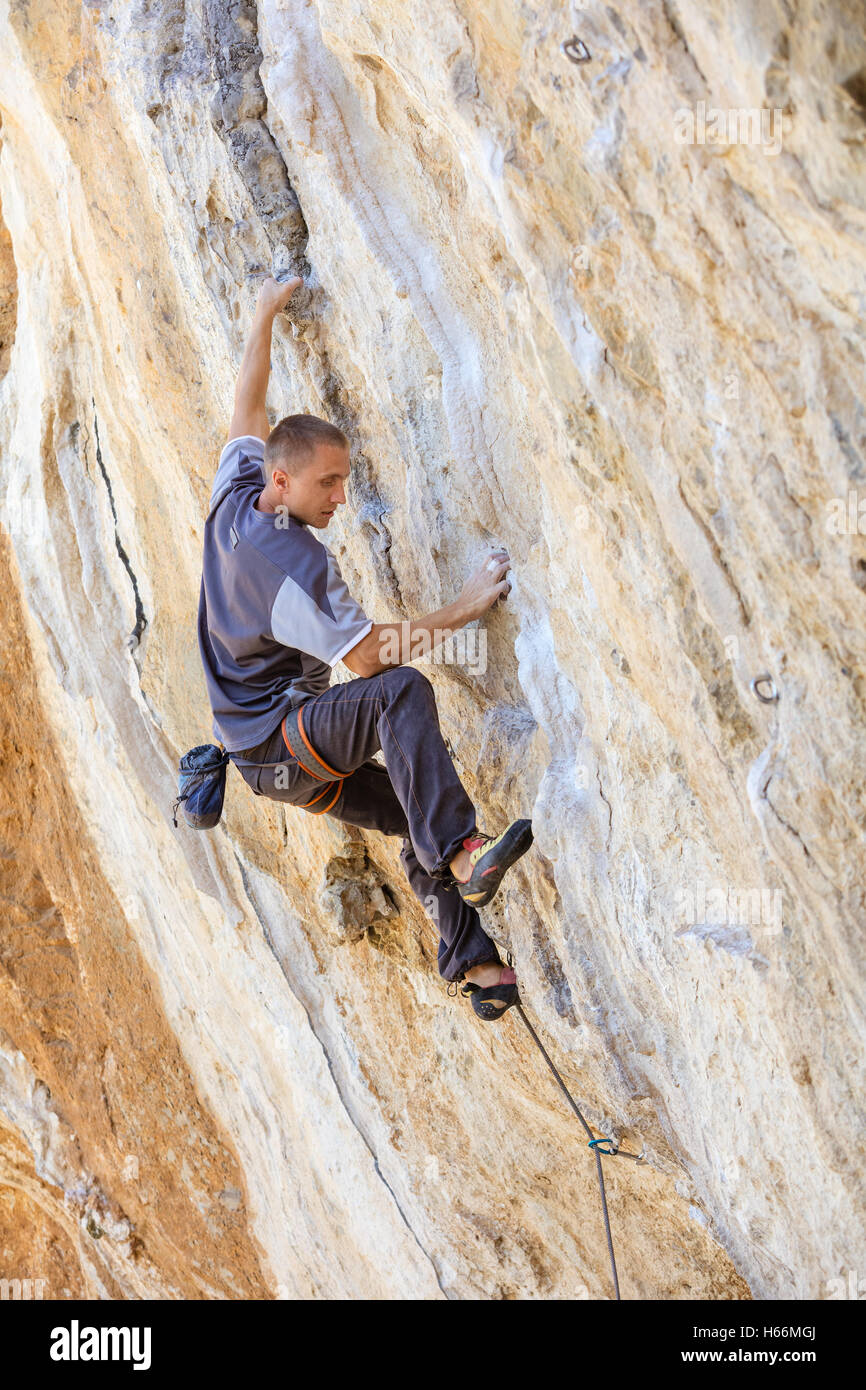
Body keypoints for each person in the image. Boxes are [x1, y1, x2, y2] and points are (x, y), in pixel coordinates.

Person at [197, 274, 533, 1020]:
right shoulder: (294, 566)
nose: (341, 499)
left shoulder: (238, 487)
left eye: (345, 481)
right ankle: (464, 852)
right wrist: (472, 600)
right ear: (284, 481)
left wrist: (263, 314)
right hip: (283, 745)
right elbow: (371, 657)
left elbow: (246, 406)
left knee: (408, 806)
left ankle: (476, 966)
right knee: (401, 694)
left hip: (265, 755)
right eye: (330, 484)